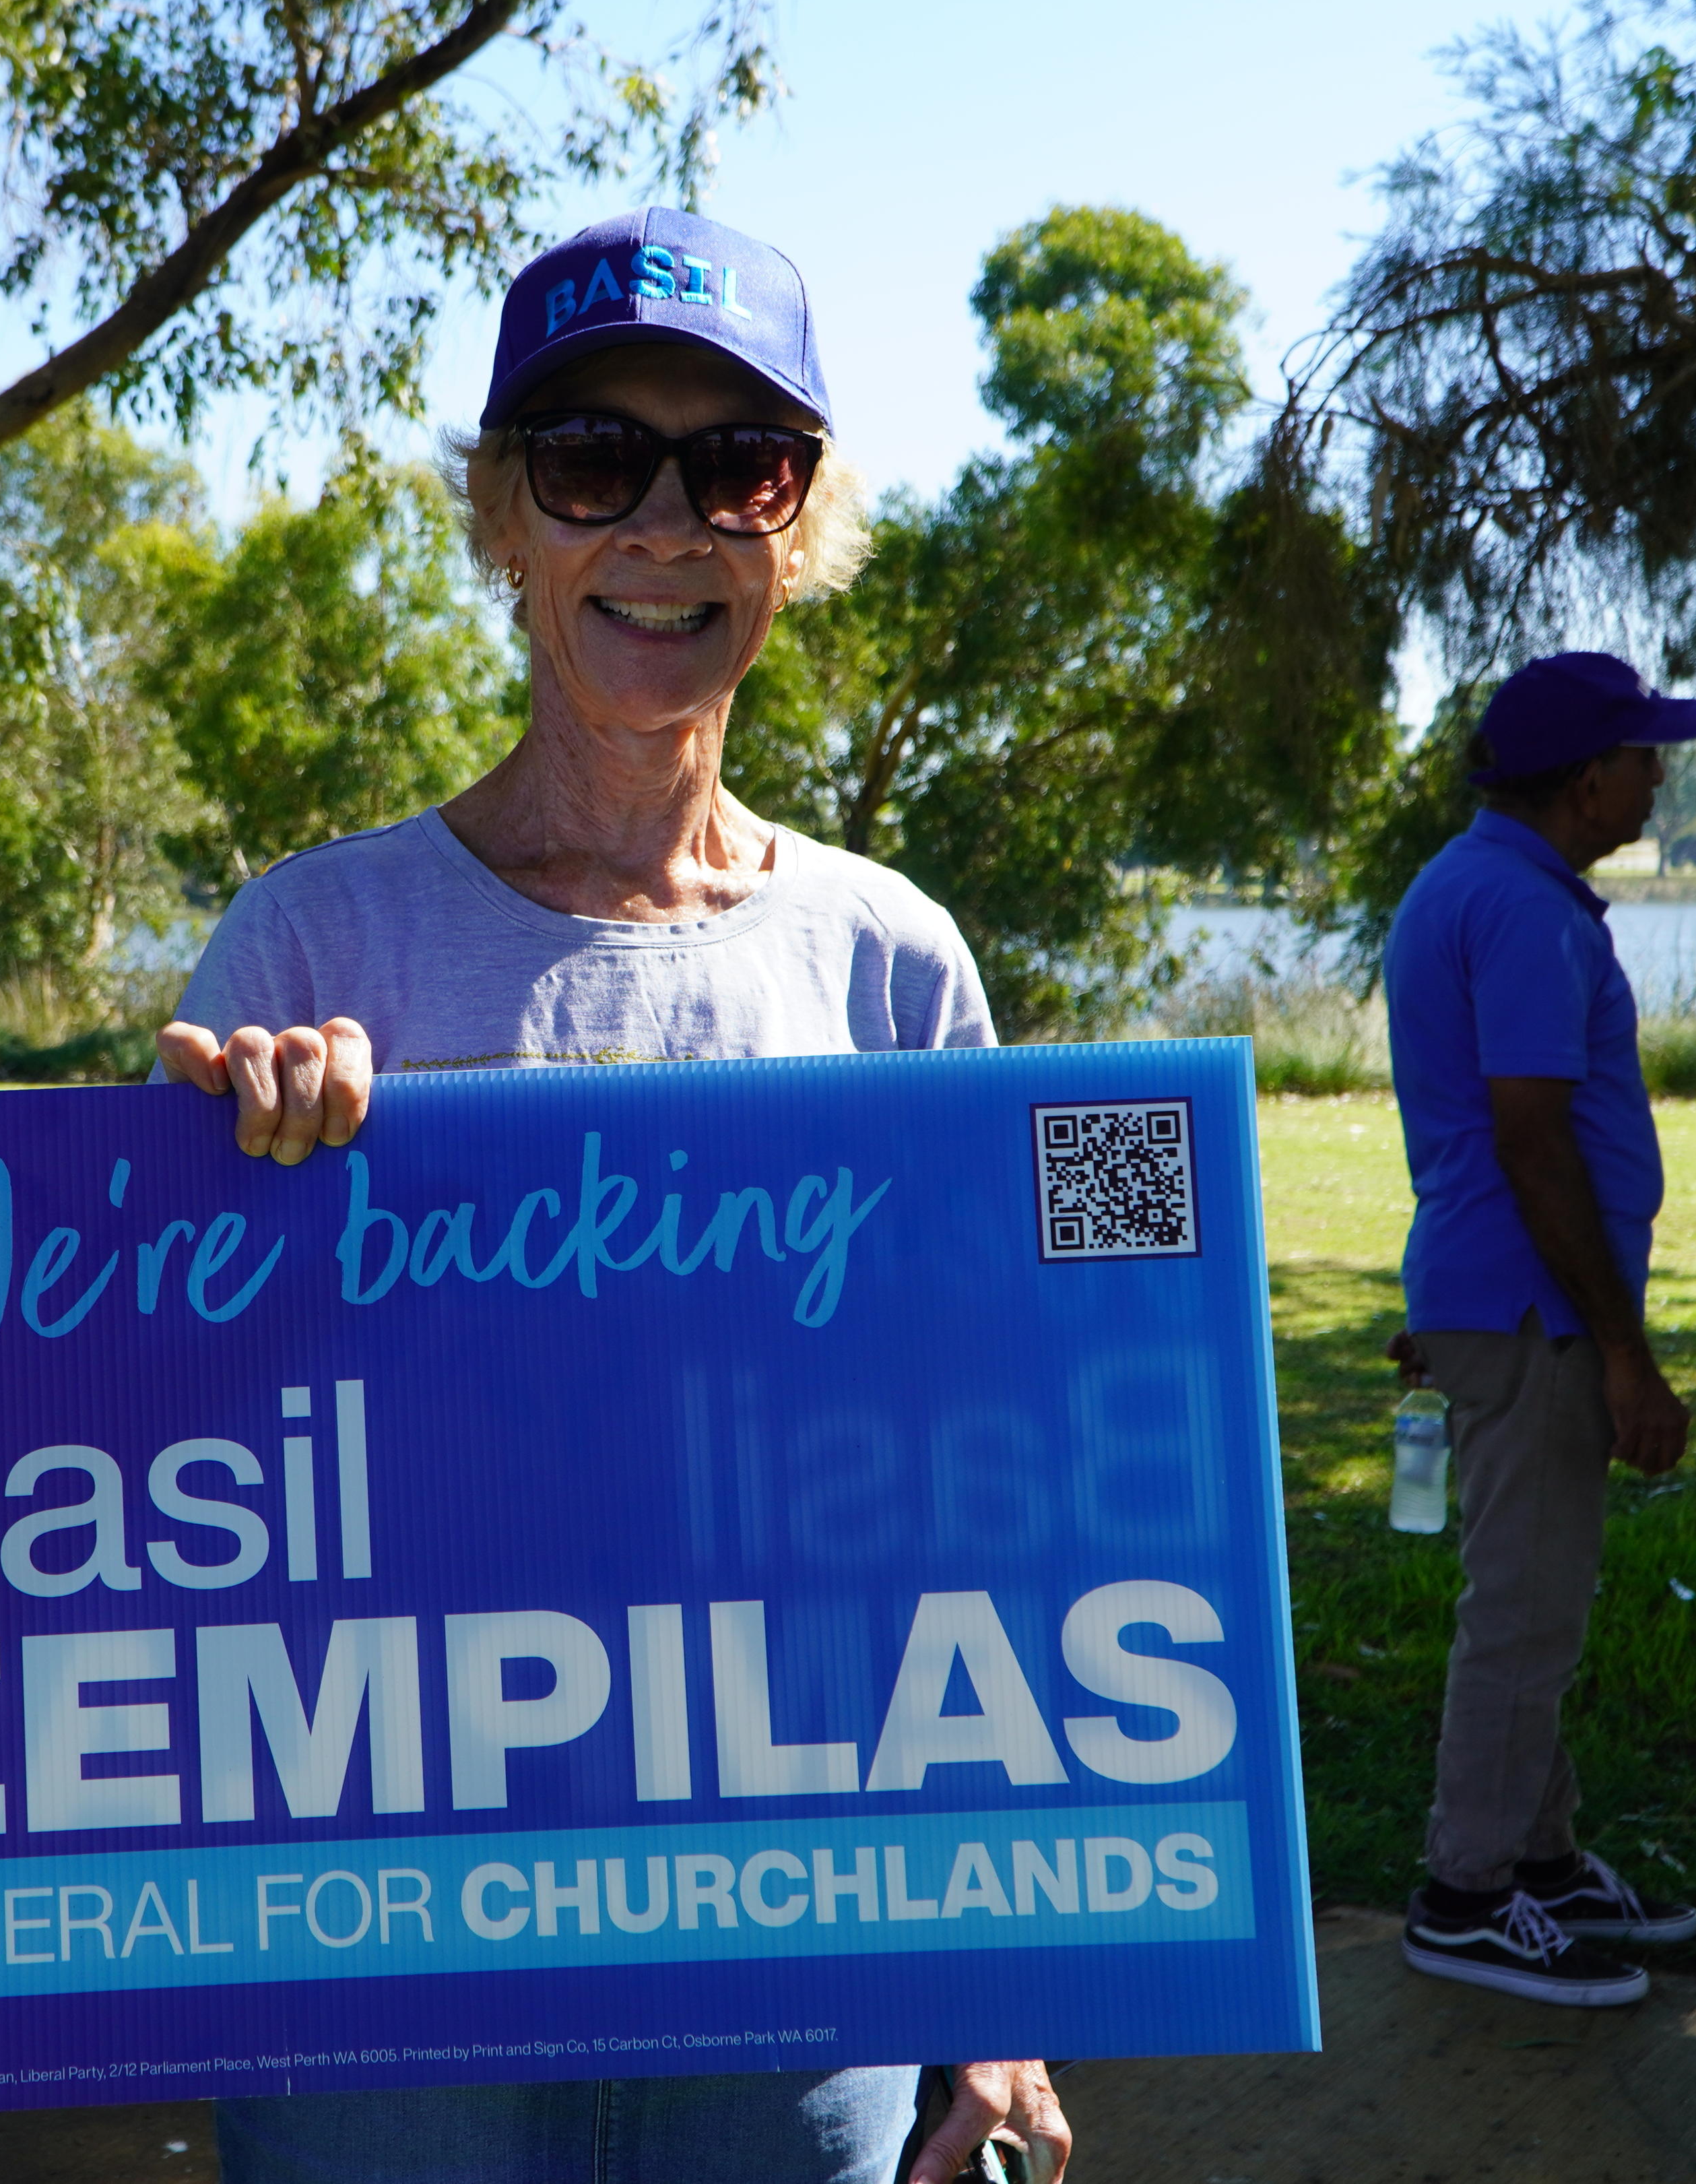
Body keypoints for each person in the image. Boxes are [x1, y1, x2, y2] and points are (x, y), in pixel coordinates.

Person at [153, 207, 1067, 2184]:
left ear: (800, 531)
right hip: (383, 1995)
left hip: (794, 1967)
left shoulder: (895, 964)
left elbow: (986, 1488)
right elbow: (152, 1503)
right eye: (589, 460)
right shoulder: (308, 941)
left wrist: (994, 1992)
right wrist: (226, 1220)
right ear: (503, 519)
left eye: (736, 468)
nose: (661, 524)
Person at [1379, 653, 1696, 2008]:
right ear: (1589, 778)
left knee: (1537, 1591)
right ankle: (1464, 1894)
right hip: (1530, 1310)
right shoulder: (1519, 907)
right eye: (1645, 754)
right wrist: (1626, 1351)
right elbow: (1528, 1133)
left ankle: (1539, 1855)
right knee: (1523, 1608)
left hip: (1493, 1298)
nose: (1655, 774)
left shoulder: (1477, 885)